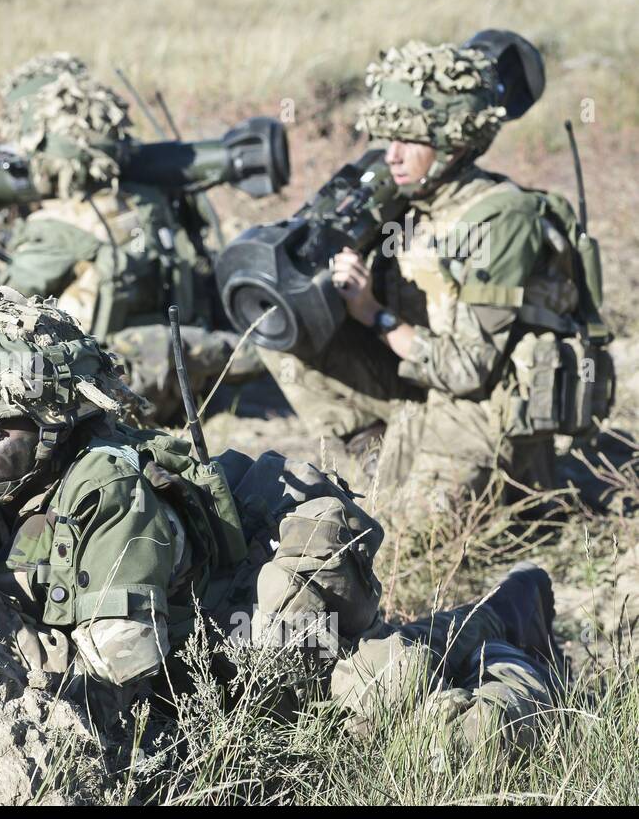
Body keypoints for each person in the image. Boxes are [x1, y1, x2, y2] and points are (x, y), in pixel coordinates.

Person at [0, 287, 565, 752]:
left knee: (430, 725)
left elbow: (113, 680)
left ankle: (502, 631)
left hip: (234, 640)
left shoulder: (110, 490)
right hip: (148, 632)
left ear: (52, 417)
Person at [259, 40, 611, 521]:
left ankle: (509, 497)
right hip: (422, 389)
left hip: (483, 410)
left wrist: (374, 314)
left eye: (412, 142)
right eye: (390, 139)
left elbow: (470, 370)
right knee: (283, 332)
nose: (394, 156)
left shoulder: (502, 219)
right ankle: (384, 468)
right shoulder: (414, 202)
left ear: (455, 144)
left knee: (404, 539)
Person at [0, 54, 259, 422]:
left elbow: (0, 317)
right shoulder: (148, 198)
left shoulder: (57, 228)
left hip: (108, 396)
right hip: (182, 381)